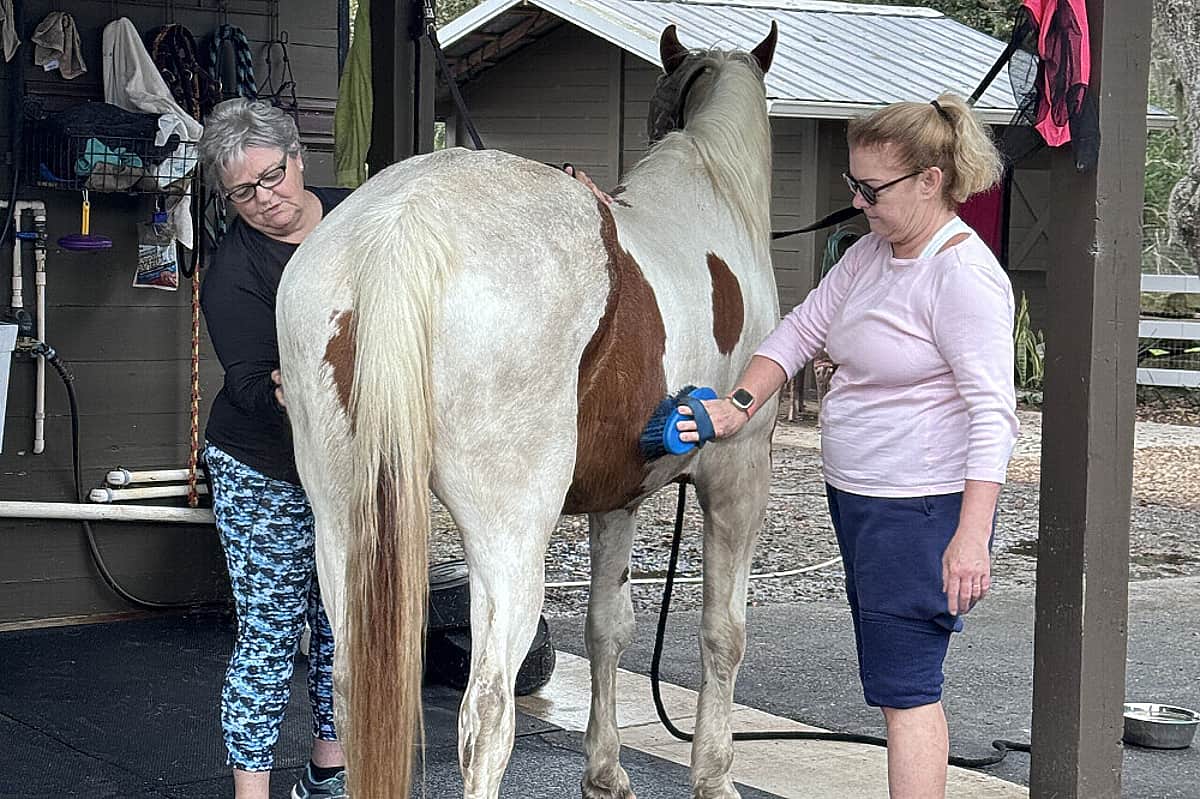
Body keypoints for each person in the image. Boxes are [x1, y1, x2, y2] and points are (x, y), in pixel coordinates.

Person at [198, 97, 612, 799]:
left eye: (272, 176)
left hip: (351, 460)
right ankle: (251, 792)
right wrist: (320, 385)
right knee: (269, 634)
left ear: (298, 158)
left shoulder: (360, 215)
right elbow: (246, 385)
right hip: (264, 468)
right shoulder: (233, 269)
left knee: (345, 629)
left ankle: (330, 772)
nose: (266, 199)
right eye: (243, 191)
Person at [678, 92, 1019, 798]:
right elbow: (800, 331)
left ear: (930, 180)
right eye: (853, 186)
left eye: (873, 188)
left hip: (917, 510)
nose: (859, 202)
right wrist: (737, 406)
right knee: (894, 681)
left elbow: (994, 415)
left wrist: (972, 535)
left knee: (908, 690)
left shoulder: (962, 276)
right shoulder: (871, 255)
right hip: (864, 501)